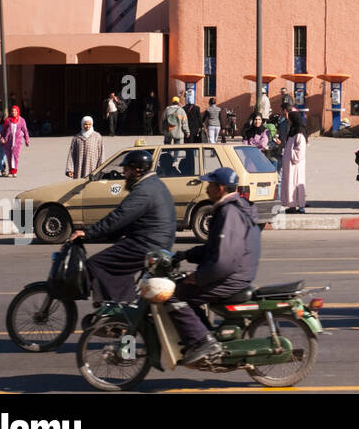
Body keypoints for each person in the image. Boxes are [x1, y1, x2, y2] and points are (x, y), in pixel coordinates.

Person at [168, 166, 262, 365]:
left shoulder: (229, 213)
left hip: (232, 276)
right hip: (237, 272)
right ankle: (203, 336)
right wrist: (183, 255)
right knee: (185, 288)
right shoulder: (232, 208)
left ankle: (204, 341)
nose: (207, 189)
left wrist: (198, 278)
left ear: (220, 188)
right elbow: (214, 248)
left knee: (175, 294)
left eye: (210, 185)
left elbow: (223, 262)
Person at [72, 149, 175, 303]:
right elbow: (127, 220)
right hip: (154, 241)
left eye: (126, 170)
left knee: (96, 263)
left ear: (137, 170)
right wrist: (109, 235)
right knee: (120, 268)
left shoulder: (144, 190)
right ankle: (124, 306)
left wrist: (88, 233)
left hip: (147, 245)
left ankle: (115, 310)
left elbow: (119, 216)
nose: (124, 174)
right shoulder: (154, 183)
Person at [280, 110, 307, 214]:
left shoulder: (300, 133)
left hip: (296, 165)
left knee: (295, 183)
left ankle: (299, 206)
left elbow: (300, 151)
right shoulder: (293, 130)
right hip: (289, 165)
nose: (289, 121)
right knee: (289, 184)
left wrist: (289, 152)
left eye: (290, 119)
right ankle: (291, 205)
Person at [1, 105, 30, 176]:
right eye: (12, 111)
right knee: (9, 156)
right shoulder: (8, 120)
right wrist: (2, 138)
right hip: (8, 141)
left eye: (15, 111)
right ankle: (10, 171)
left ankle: (14, 171)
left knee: (15, 156)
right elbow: (3, 131)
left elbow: (25, 131)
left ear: (18, 112)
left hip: (17, 141)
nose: (14, 113)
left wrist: (27, 140)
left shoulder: (22, 120)